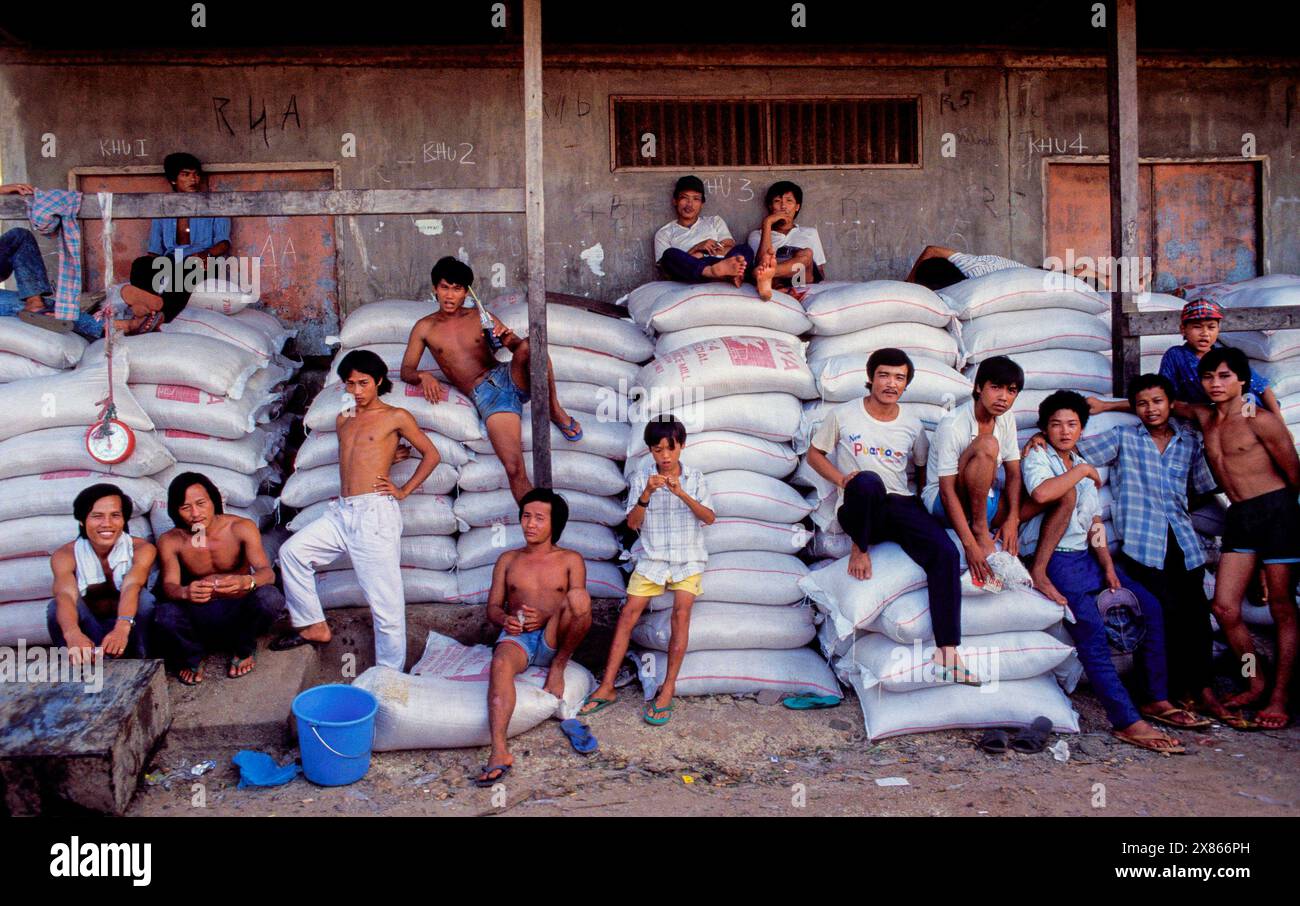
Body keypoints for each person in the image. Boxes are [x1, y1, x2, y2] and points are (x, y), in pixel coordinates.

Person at [1027, 374, 1226, 728]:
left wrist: (1107, 565)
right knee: (1091, 632)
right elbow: (1045, 492)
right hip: (1074, 557)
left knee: (1160, 612)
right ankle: (1127, 720)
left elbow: (1095, 523)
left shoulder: (1188, 441)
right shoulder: (1072, 455)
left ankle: (1159, 698)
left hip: (1140, 550)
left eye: (1072, 424)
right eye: (1055, 425)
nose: (1064, 430)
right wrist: (1041, 440)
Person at [807, 348, 978, 684]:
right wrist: (842, 480)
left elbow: (919, 468)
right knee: (868, 481)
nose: (891, 383)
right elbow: (815, 454)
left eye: (899, 378)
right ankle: (861, 546)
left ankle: (948, 652)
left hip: (899, 503)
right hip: (858, 502)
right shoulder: (844, 415)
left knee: (945, 554)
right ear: (871, 378)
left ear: (906, 385)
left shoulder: (912, 424)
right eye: (884, 375)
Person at [273, 349, 441, 670]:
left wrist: (403, 490)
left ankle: (389, 677)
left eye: (364, 383)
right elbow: (359, 455)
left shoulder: (396, 416)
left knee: (386, 606)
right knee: (292, 552)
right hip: (342, 511)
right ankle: (314, 625)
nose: (357, 391)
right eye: (350, 384)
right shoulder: (345, 417)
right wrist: (387, 457)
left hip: (374, 513)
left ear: (379, 381)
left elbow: (431, 454)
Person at [400, 256, 580, 504]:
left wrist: (506, 337)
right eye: (444, 287)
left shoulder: (479, 315)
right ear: (434, 288)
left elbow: (517, 346)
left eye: (457, 289)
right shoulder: (425, 327)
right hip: (487, 396)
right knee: (514, 468)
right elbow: (406, 369)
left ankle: (555, 410)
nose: (450, 295)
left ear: (466, 292)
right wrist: (423, 376)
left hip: (507, 374)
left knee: (532, 346)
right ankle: (536, 525)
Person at [1190, 347, 1300, 730]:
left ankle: (1280, 697)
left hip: (1277, 511)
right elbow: (1158, 403)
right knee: (1224, 608)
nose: (1215, 384)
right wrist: (1102, 408)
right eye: (1208, 377)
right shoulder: (1204, 416)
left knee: (1283, 607)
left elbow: (1294, 477)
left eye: (1224, 376)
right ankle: (1255, 680)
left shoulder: (1261, 420)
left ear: (1241, 381)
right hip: (1239, 515)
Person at [579, 416, 715, 724]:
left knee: (681, 613)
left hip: (688, 558)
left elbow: (708, 518)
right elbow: (632, 524)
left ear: (681, 447)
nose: (664, 457)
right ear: (650, 451)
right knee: (629, 614)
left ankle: (667, 689)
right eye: (657, 450)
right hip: (652, 558)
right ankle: (607, 686)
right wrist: (646, 495)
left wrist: (681, 493)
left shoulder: (695, 477)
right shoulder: (642, 477)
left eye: (670, 449)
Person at [479, 489, 592, 786]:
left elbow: (576, 607)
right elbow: (492, 607)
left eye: (539, 518)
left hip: (554, 634)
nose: (530, 524)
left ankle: (557, 667)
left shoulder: (570, 559)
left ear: (554, 524)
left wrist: (546, 617)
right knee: (500, 664)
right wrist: (504, 619)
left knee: (580, 599)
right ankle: (500, 750)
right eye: (526, 517)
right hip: (518, 637)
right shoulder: (508, 559)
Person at [153, 472, 285, 684]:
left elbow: (266, 573)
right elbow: (169, 585)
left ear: (213, 501)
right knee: (164, 614)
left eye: (201, 503)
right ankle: (193, 655)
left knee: (270, 598)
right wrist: (185, 592)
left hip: (239, 610)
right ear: (175, 511)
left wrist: (247, 581)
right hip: (200, 614)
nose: (195, 513)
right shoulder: (171, 540)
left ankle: (244, 648)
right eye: (185, 507)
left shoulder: (240, 527)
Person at [922, 355, 1026, 590]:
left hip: (983, 498)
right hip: (944, 503)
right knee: (987, 444)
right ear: (978, 387)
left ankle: (1032, 573)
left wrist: (1013, 519)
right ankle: (980, 531)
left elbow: (1013, 473)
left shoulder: (1006, 418)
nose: (1003, 397)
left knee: (1052, 494)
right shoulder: (953, 424)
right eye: (995, 387)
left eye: (1011, 391)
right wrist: (970, 545)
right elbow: (947, 492)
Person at [1089, 299, 1281, 419]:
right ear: (1183, 330)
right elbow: (1160, 397)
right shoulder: (1176, 356)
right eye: (1197, 327)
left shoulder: (1226, 357)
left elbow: (1262, 388)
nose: (1205, 333)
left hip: (1247, 416)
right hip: (1207, 418)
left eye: (1211, 327)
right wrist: (1107, 406)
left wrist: (1278, 423)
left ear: (1218, 330)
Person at [46, 484, 157, 663]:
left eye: (115, 515)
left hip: (129, 629)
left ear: (124, 520)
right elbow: (65, 595)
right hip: (90, 631)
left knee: (144, 600)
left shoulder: (142, 548)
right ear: (82, 520)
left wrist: (122, 627)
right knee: (55, 607)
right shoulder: (65, 555)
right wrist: (72, 633)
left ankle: (140, 662)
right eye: (97, 516)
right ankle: (77, 662)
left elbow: (132, 585)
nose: (107, 523)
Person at [653, 175, 754, 287]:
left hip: (719, 263)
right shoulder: (664, 233)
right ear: (675, 201)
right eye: (684, 198)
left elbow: (730, 247)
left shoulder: (714, 221)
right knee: (669, 254)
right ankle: (715, 273)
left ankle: (726, 273)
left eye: (696, 199)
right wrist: (696, 248)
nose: (689, 204)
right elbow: (666, 271)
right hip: (693, 271)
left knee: (744, 249)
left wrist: (701, 254)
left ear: (702, 204)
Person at [746, 180, 826, 300]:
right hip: (775, 279)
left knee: (806, 253)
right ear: (770, 206)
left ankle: (770, 275)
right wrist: (767, 223)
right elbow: (760, 263)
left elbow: (820, 271)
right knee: (766, 261)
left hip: (800, 277)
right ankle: (777, 285)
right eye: (777, 201)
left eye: (789, 201)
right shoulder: (757, 235)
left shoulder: (809, 233)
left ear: (797, 207)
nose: (783, 207)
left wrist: (780, 270)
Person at [147, 152, 231, 262]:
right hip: (170, 262)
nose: (193, 179)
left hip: (201, 261)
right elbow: (154, 250)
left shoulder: (215, 205)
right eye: (186, 174)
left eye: (196, 174)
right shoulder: (162, 208)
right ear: (173, 180)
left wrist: (206, 255)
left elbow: (224, 243)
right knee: (141, 265)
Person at [905, 245, 1026, 290]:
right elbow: (930, 250)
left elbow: (931, 249)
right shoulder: (962, 270)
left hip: (1032, 274)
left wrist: (910, 282)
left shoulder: (974, 273)